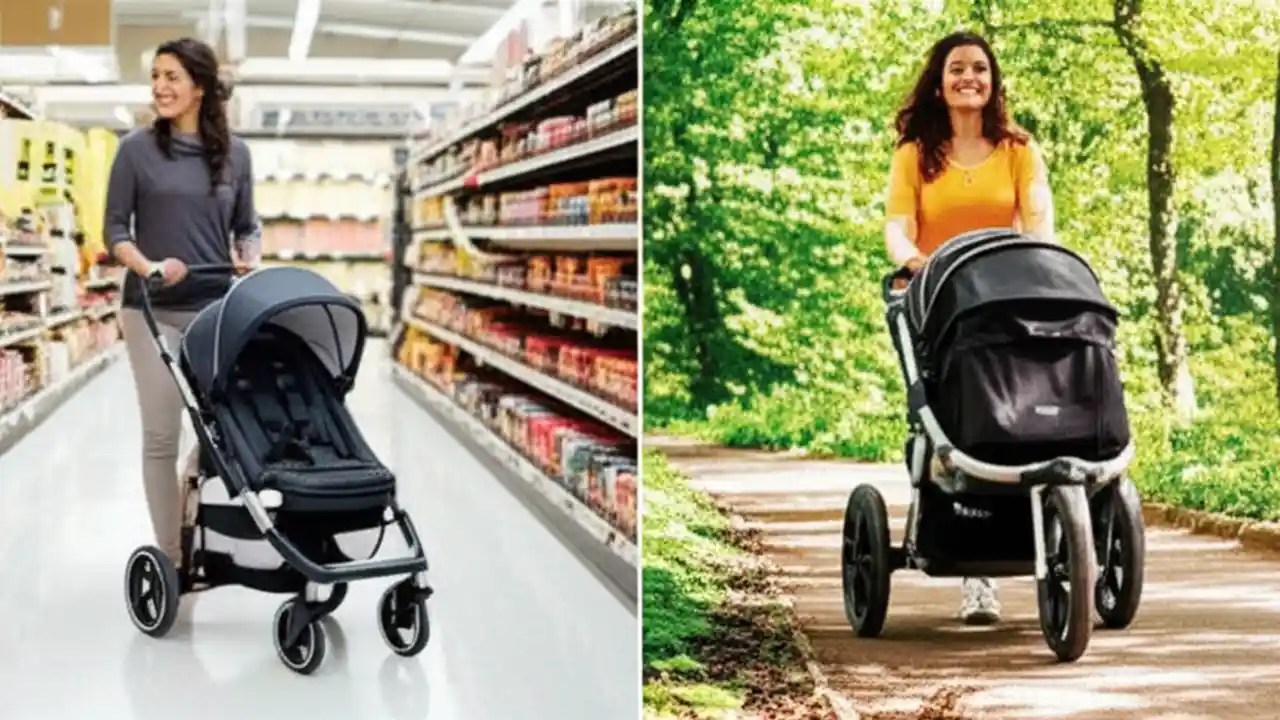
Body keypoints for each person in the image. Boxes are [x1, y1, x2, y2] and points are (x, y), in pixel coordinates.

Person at [883, 31, 1056, 625]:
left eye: (980, 69)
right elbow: (898, 229)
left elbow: (1039, 221)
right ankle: (977, 575)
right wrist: (915, 263)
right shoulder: (914, 154)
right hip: (939, 300)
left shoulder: (1018, 149)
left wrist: (1044, 264)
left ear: (993, 80)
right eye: (957, 69)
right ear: (939, 81)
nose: (969, 78)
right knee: (958, 417)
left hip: (1007, 296)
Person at [104, 36, 260, 569]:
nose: (159, 87)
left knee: (221, 427)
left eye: (171, 77)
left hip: (214, 308)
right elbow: (113, 230)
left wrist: (249, 255)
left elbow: (248, 226)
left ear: (199, 88)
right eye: (155, 76)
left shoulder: (236, 155)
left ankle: (191, 502)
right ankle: (172, 558)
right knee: (161, 432)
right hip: (148, 308)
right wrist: (149, 267)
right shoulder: (135, 150)